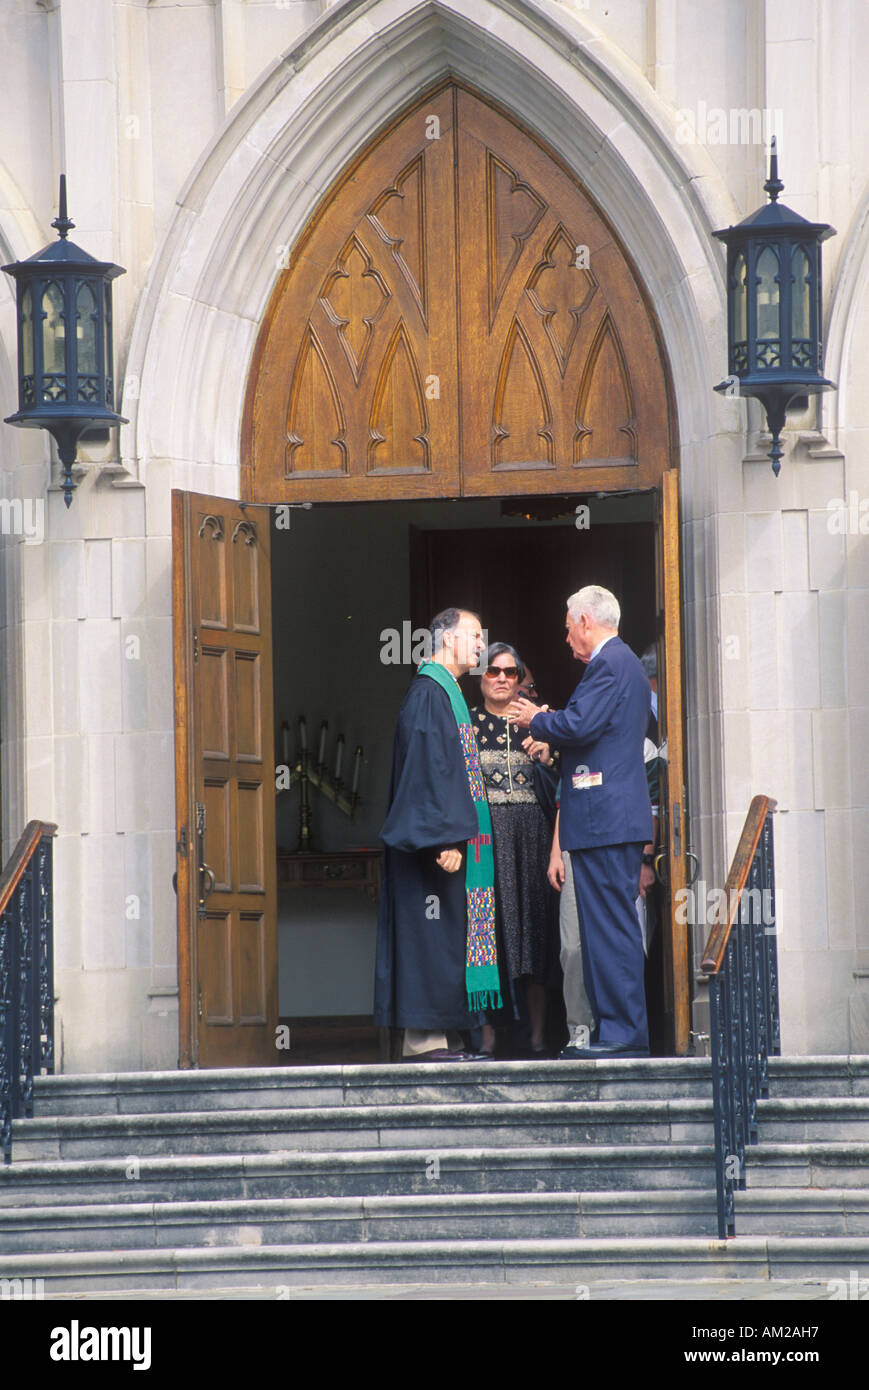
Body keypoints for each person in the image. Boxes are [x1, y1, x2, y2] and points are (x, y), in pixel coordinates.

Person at [508, 585, 653, 1058]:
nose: (566, 636)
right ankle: (616, 1031)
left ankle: (623, 1034)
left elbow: (580, 725)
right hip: (603, 822)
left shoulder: (609, 663)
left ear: (587, 621)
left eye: (569, 626)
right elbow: (593, 732)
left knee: (610, 930)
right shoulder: (621, 663)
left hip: (606, 822)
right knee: (604, 929)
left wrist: (537, 718)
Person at [373, 608, 501, 1061]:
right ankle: (422, 1041)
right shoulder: (429, 693)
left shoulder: (445, 693)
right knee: (429, 935)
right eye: (474, 636)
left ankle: (444, 1037)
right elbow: (428, 770)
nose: (481, 646)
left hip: (447, 841)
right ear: (446, 639)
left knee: (447, 936)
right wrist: (442, 838)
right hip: (433, 845)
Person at [470, 643, 559, 1057]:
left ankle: (539, 1036)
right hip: (487, 841)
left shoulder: (539, 724)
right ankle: (488, 1036)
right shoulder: (466, 727)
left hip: (535, 838)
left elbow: (564, 788)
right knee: (489, 934)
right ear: (481, 678)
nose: (502, 678)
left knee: (536, 932)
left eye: (510, 671)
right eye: (493, 671)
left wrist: (548, 756)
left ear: (521, 677)